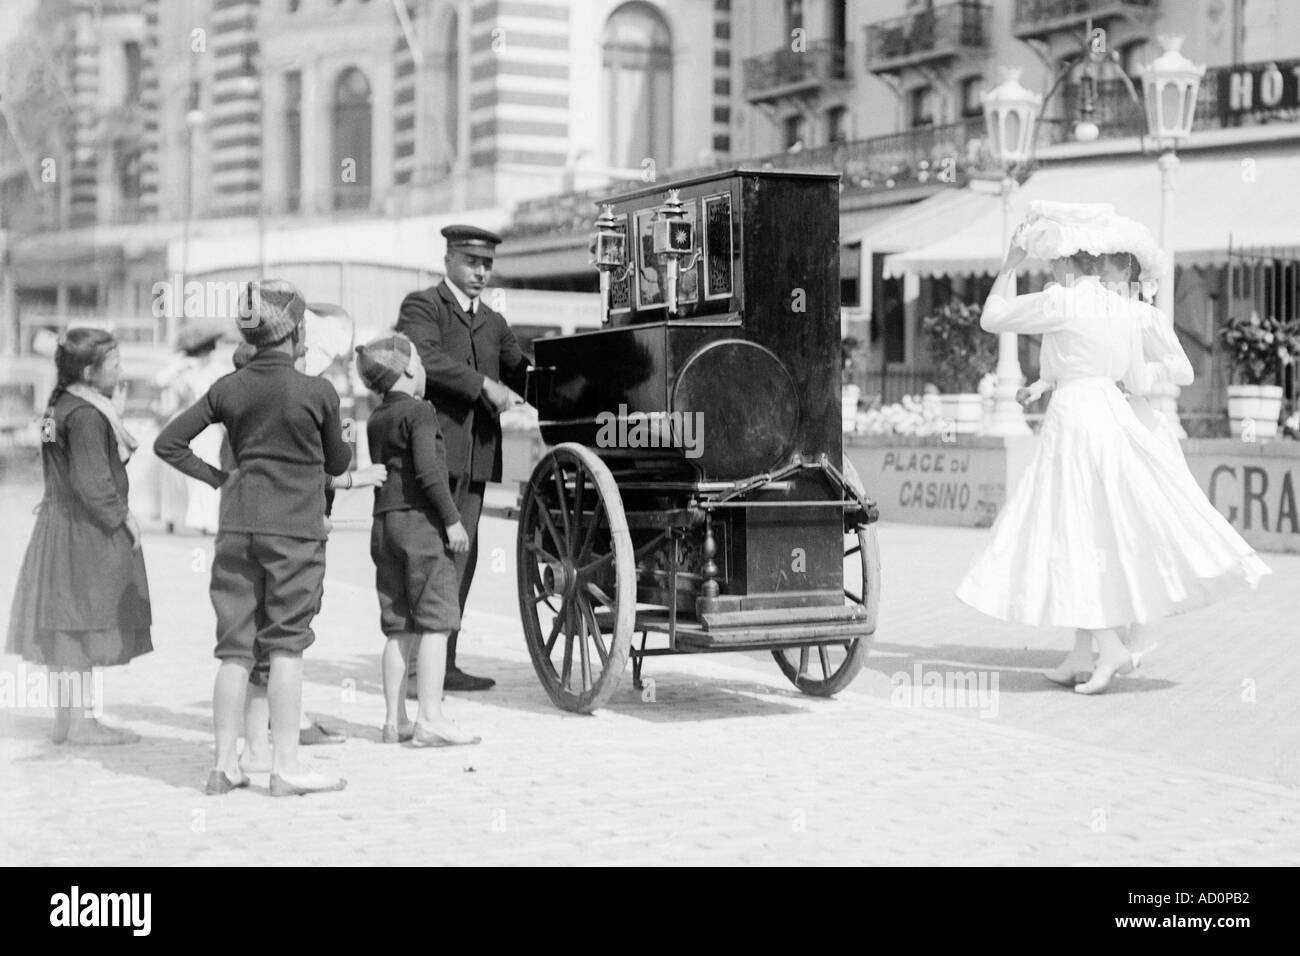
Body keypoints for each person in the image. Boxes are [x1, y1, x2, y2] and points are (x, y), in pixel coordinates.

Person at [956, 203, 1270, 695]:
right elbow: (1132, 375)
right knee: (1095, 525)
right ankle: (1083, 651)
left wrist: (1011, 263)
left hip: (1077, 420)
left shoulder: (1060, 301)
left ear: (1064, 262)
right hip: (1110, 413)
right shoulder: (1123, 310)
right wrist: (1048, 383)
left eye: (1052, 261)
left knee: (1074, 527)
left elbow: (992, 318)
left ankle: (1110, 645)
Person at [155, 279, 351, 795]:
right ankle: (286, 767)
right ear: (297, 331)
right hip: (295, 532)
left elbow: (168, 442)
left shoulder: (228, 387)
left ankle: (224, 765)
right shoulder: (318, 392)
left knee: (234, 650)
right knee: (285, 646)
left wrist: (219, 479)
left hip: (237, 526)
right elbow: (337, 463)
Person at [223, 342, 387, 768]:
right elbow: (318, 469)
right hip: (290, 539)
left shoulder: (238, 420)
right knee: (285, 645)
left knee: (256, 647)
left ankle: (253, 748)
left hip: (249, 536)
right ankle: (286, 753)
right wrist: (351, 482)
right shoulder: (294, 407)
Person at [395, 224, 531, 693]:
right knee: (426, 556)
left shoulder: (494, 322)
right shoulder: (423, 306)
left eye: (488, 264)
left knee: (461, 558)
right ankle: (414, 670)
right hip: (430, 456)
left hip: (475, 463)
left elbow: (523, 374)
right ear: (448, 259)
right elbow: (424, 358)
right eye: (472, 262)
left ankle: (443, 665)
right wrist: (485, 386)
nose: (481, 272)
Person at [7, 329, 153, 745]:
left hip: (56, 526)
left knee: (64, 627)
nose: (121, 372)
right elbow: (92, 482)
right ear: (90, 372)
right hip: (83, 531)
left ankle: (65, 719)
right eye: (115, 365)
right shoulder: (88, 416)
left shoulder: (59, 407)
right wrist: (124, 518)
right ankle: (83, 722)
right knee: (84, 623)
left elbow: (60, 462)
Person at [355, 333, 479, 746]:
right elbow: (428, 473)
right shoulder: (421, 412)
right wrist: (452, 521)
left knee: (398, 627)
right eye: (422, 363)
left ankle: (394, 721)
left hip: (384, 525)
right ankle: (431, 717)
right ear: (409, 369)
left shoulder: (376, 418)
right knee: (436, 625)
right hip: (421, 528)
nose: (425, 370)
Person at [157, 326, 226, 534]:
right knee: (174, 474)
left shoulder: (217, 369)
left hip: (208, 426)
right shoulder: (182, 369)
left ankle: (208, 521)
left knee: (208, 467)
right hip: (183, 422)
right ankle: (172, 516)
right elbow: (160, 380)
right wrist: (182, 365)